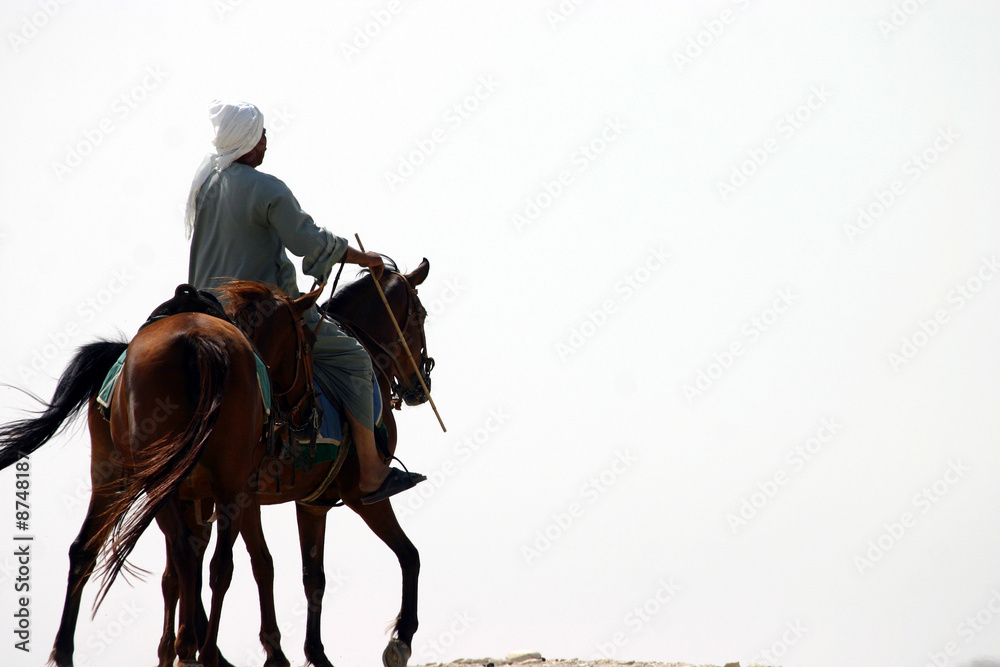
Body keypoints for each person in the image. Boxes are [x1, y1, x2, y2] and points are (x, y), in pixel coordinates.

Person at [185, 100, 424, 505]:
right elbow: (308, 242)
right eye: (261, 135)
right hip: (258, 314)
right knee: (356, 359)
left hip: (203, 312)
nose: (265, 141)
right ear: (246, 141)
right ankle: (369, 471)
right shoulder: (267, 189)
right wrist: (364, 259)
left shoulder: (206, 184)